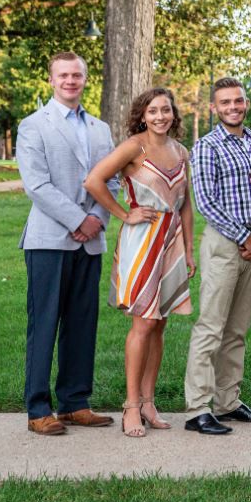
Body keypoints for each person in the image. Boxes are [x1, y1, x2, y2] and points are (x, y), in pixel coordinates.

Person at [17, 52, 119, 435]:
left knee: (82, 323)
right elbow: (37, 185)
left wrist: (96, 219)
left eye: (77, 74)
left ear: (85, 79)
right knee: (43, 323)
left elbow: (110, 181)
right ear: (51, 79)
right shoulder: (32, 126)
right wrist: (79, 220)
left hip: (89, 242)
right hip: (48, 240)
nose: (70, 80)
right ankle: (38, 408)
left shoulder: (100, 128)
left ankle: (75, 402)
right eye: (63, 75)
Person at [84, 88, 195, 437]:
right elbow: (93, 181)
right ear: (143, 115)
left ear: (174, 114)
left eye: (166, 110)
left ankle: (148, 401)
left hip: (172, 241)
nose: (160, 116)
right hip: (142, 240)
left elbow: (186, 205)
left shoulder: (181, 151)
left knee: (160, 325)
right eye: (153, 111)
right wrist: (123, 214)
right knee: (144, 324)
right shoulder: (134, 147)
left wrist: (189, 250)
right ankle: (130, 406)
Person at [184, 78, 251, 435]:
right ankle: (197, 409)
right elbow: (206, 202)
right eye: (225, 102)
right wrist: (245, 237)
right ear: (214, 108)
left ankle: (227, 400)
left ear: (246, 103)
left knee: (237, 329)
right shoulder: (207, 147)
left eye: (238, 100)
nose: (233, 107)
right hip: (225, 244)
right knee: (211, 326)